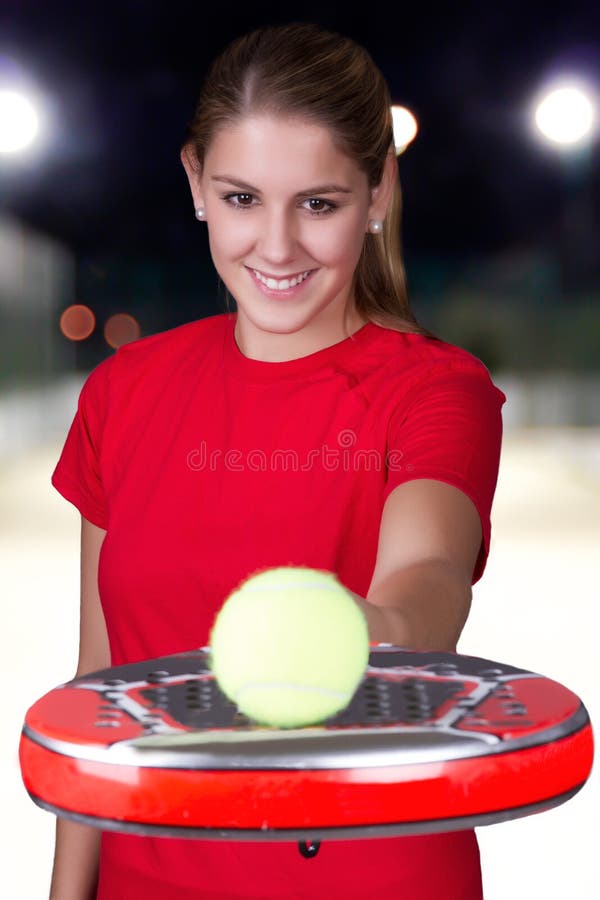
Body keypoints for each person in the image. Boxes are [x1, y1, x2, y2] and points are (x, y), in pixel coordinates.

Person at [48, 21, 505, 900]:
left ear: (378, 192)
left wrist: (377, 629)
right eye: (243, 198)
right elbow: (99, 693)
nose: (277, 246)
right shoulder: (122, 392)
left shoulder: (435, 391)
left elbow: (430, 571)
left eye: (319, 204)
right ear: (196, 184)